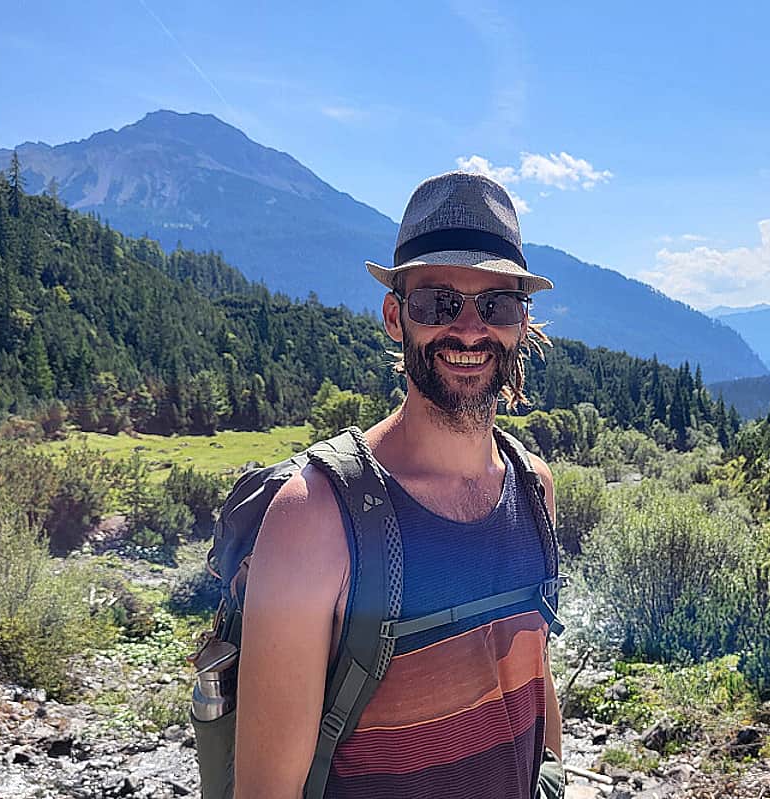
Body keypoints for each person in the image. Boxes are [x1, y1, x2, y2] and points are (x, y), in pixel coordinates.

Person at [233, 172, 564, 798]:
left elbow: (531, 677)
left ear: (522, 321)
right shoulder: (315, 517)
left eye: (494, 304)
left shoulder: (533, 490)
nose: (468, 330)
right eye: (437, 303)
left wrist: (553, 774)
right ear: (395, 316)